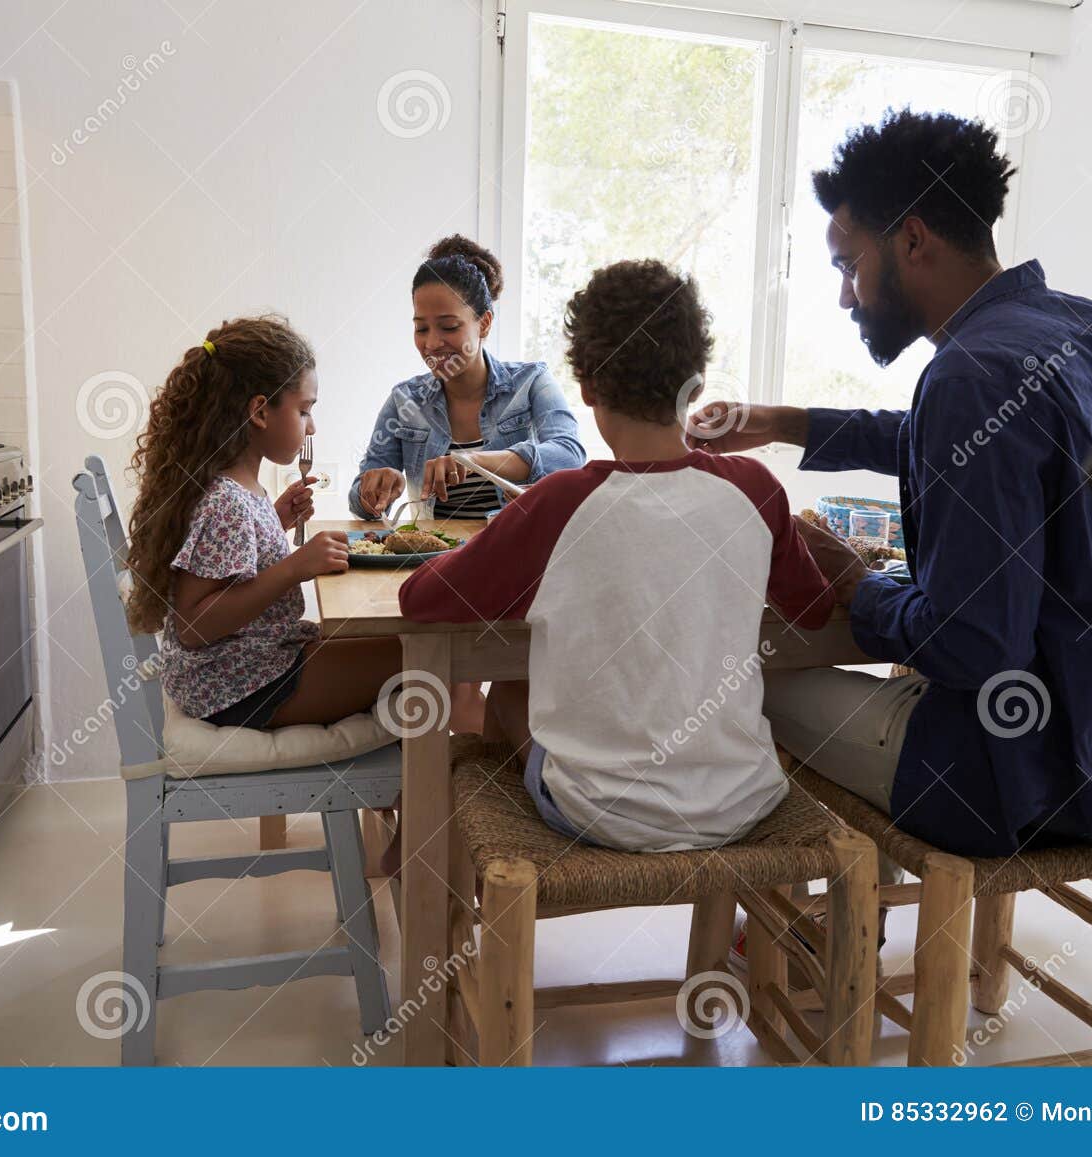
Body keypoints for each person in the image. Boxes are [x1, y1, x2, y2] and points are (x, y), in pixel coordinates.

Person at [695, 109, 1092, 863]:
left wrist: (852, 581)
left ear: (913, 240)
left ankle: (815, 926)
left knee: (743, 686)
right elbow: (954, 445)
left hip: (999, 781)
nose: (846, 296)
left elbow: (973, 645)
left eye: (849, 264)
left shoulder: (968, 376)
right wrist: (779, 420)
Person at [398, 260, 835, 851]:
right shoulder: (757, 490)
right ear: (697, 385)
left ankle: (466, 862)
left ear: (587, 387)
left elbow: (421, 602)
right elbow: (812, 612)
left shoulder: (557, 504)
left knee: (508, 692)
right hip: (740, 798)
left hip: (598, 811)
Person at [125, 316, 402, 730]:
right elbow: (195, 624)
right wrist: (294, 566)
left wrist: (275, 519)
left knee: (403, 648)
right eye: (305, 411)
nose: (312, 426)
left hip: (237, 673)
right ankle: (416, 790)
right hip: (238, 686)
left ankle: (401, 790)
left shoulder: (233, 484)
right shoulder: (227, 500)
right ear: (259, 411)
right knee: (418, 655)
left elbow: (228, 569)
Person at [349, 234, 586, 521]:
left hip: (519, 553)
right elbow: (360, 503)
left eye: (449, 327)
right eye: (421, 329)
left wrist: (472, 461)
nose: (432, 343)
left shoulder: (531, 382)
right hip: (438, 560)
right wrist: (374, 489)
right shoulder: (404, 401)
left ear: (484, 323)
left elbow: (569, 454)